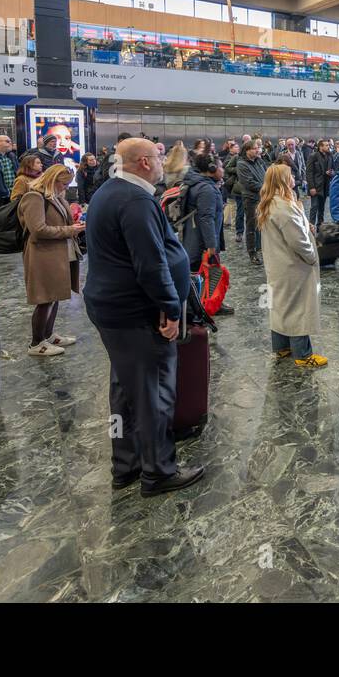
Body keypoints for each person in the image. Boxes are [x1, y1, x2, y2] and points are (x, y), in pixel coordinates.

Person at [83, 138, 202, 497]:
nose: (165, 161)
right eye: (160, 156)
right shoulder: (135, 200)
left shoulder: (111, 190)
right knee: (153, 394)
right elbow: (150, 263)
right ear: (145, 162)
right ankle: (158, 471)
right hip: (136, 311)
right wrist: (168, 308)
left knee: (125, 390)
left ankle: (126, 464)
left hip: (112, 308)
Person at [257, 164, 326, 368]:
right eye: (290, 175)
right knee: (298, 308)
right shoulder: (284, 207)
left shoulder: (269, 203)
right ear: (283, 180)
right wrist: (313, 257)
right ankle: (303, 355)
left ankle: (281, 347)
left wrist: (305, 222)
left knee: (279, 305)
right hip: (294, 266)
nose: (294, 177)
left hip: (278, 265)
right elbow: (298, 241)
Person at [18, 164, 85, 357]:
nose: (65, 187)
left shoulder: (53, 196)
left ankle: (48, 335)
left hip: (55, 253)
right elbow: (38, 229)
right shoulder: (34, 197)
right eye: (63, 184)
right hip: (42, 255)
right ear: (52, 180)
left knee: (54, 296)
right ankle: (36, 343)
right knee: (45, 299)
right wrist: (71, 230)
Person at [179, 153, 226, 276]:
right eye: (221, 167)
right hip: (200, 246)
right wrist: (211, 246)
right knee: (202, 282)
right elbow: (206, 218)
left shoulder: (199, 183)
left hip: (193, 240)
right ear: (212, 169)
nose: (223, 170)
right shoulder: (206, 189)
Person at [236, 140, 267, 265]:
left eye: (258, 148)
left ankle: (261, 247)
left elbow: (266, 175)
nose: (257, 150)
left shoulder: (259, 161)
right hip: (251, 199)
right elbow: (248, 183)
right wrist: (266, 188)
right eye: (254, 148)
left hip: (263, 197)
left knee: (263, 225)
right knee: (251, 226)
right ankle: (252, 252)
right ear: (247, 150)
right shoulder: (242, 164)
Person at [307, 139, 333, 228]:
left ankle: (320, 226)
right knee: (314, 207)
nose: (328, 147)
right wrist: (311, 187)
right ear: (320, 147)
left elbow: (333, 169)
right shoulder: (313, 156)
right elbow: (309, 172)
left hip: (325, 185)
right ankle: (311, 226)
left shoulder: (330, 155)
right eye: (326, 145)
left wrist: (331, 173)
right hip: (315, 186)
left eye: (328, 145)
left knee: (322, 208)